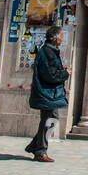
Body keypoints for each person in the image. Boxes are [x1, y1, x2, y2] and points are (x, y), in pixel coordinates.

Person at [26, 25, 70, 162]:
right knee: (50, 119)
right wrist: (65, 73)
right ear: (55, 38)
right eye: (61, 37)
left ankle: (35, 146)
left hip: (50, 93)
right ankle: (40, 151)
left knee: (50, 119)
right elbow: (51, 75)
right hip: (47, 93)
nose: (62, 39)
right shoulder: (48, 53)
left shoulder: (50, 51)